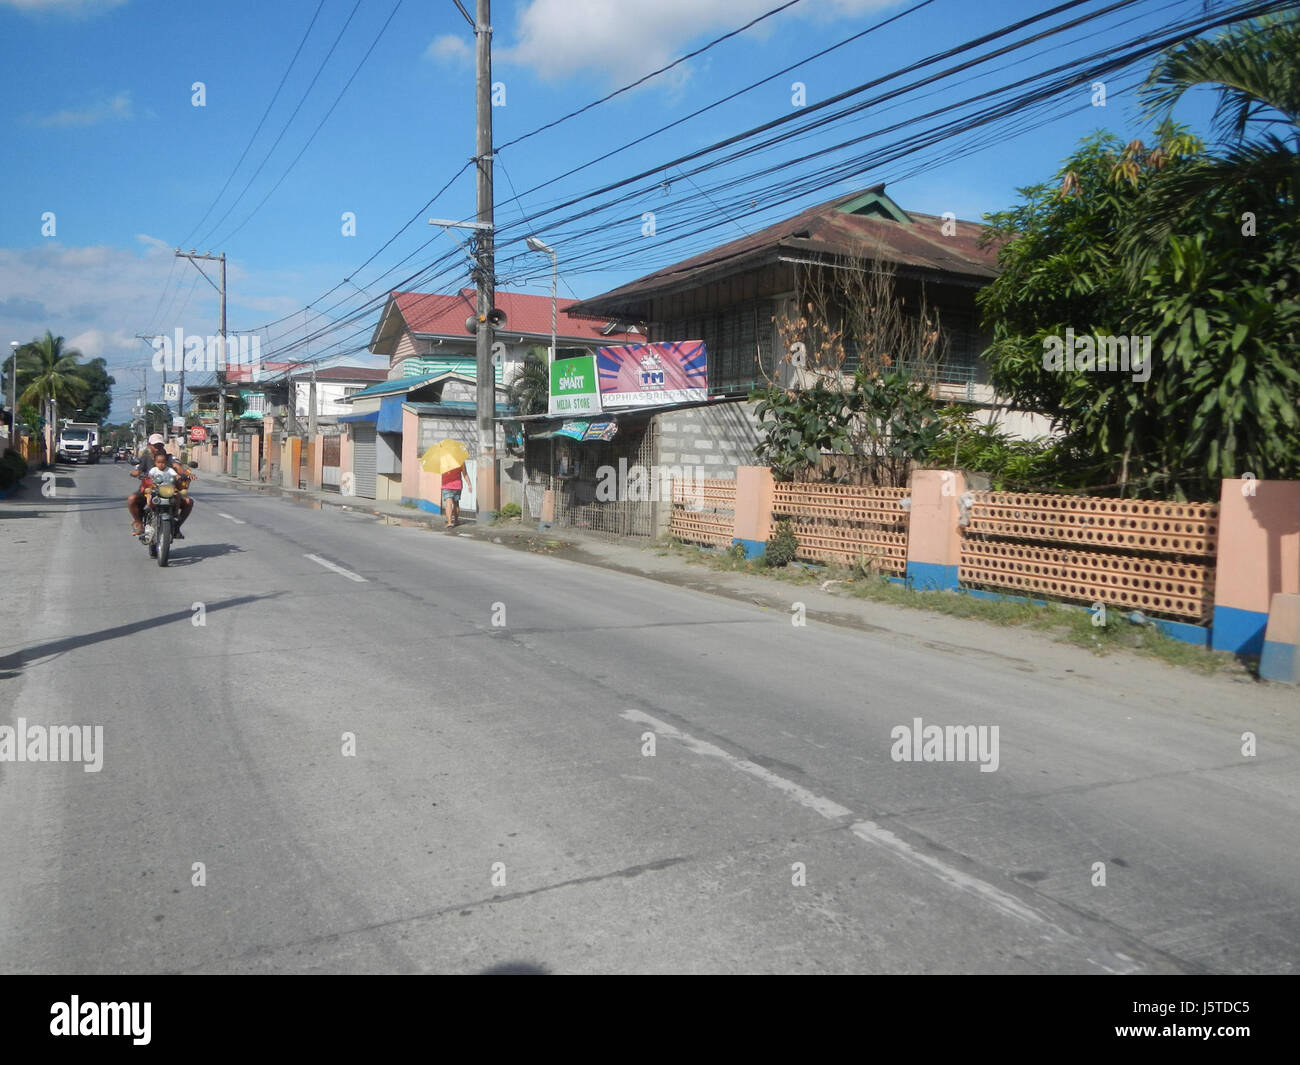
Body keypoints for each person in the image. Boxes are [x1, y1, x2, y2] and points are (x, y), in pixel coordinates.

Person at [128, 433, 195, 537]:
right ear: (149, 446)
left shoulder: (169, 458)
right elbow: (138, 470)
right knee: (132, 499)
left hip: (168, 490)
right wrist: (136, 473)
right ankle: (139, 523)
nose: (158, 448)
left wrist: (186, 474)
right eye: (155, 445)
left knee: (188, 502)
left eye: (160, 445)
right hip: (149, 489)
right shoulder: (145, 458)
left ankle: (176, 527)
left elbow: (177, 467)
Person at [441, 462, 464, 531]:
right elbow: (465, 473)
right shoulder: (460, 460)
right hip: (457, 485)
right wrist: (469, 484)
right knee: (456, 503)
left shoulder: (443, 461)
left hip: (447, 485)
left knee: (448, 504)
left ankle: (449, 523)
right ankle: (456, 521)